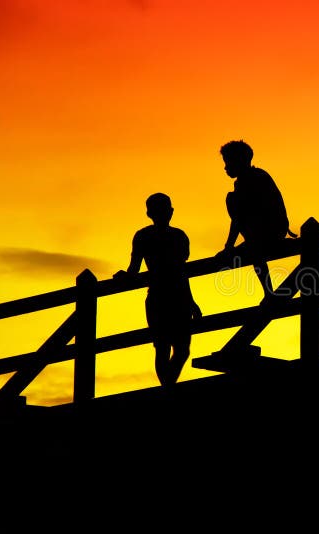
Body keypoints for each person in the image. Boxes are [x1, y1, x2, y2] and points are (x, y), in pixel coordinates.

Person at [114, 192, 202, 386]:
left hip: (165, 298)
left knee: (173, 349)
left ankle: (167, 387)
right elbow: (179, 272)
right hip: (169, 298)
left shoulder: (149, 236)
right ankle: (168, 387)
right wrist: (191, 302)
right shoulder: (174, 237)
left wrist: (191, 302)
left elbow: (136, 270)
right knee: (172, 349)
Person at [214, 140, 296, 301]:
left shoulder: (253, 179)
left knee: (231, 199)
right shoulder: (255, 177)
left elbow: (239, 218)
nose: (225, 167)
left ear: (240, 161)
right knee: (232, 199)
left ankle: (268, 291)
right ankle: (268, 291)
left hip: (269, 231)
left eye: (228, 162)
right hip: (266, 231)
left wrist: (228, 247)